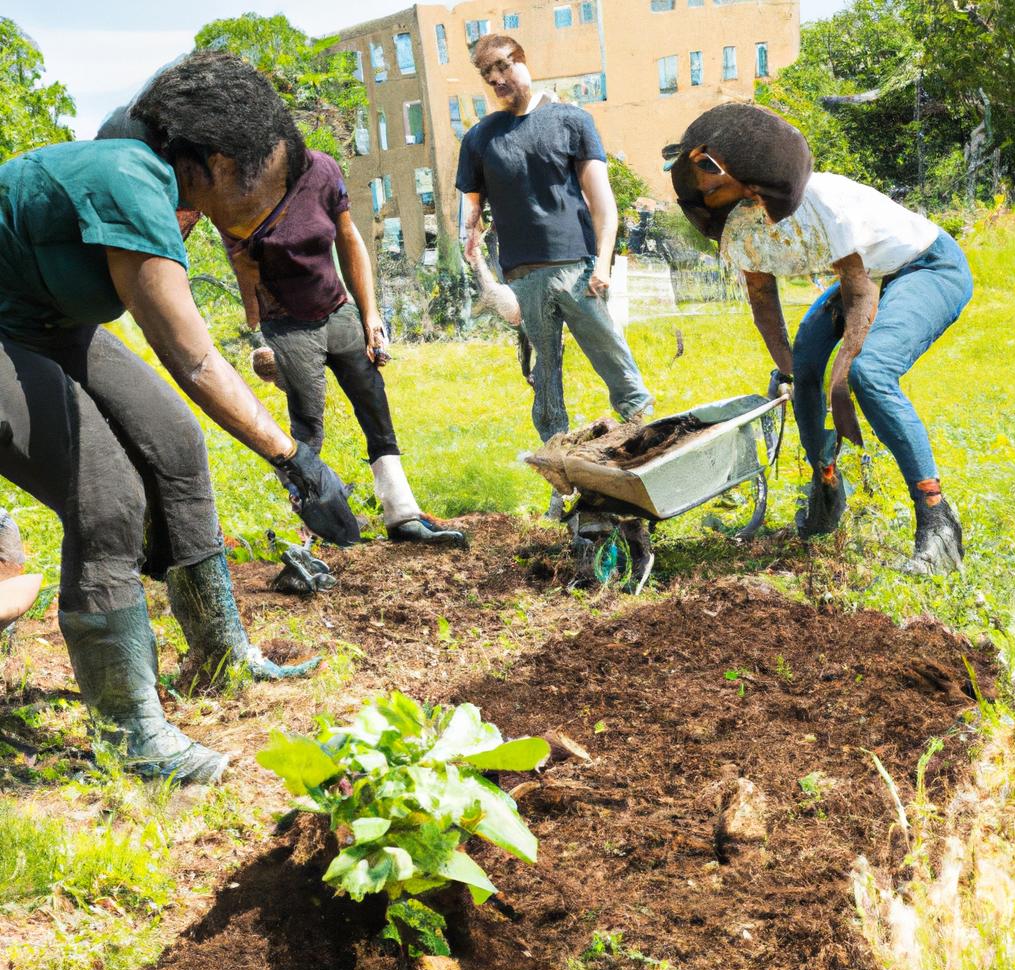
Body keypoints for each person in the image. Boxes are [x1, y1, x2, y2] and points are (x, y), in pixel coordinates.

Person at [0, 52, 361, 783]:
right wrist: (294, 459)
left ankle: (220, 652)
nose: (276, 202)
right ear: (221, 163)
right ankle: (131, 736)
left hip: (42, 322)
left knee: (174, 442)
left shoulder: (156, 179)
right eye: (271, 180)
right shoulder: (129, 177)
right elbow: (193, 359)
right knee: (106, 496)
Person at [665, 102, 972, 574]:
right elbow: (761, 297)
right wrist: (789, 368)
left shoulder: (821, 202)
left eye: (710, 184)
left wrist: (844, 374)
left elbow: (858, 289)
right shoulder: (739, 222)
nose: (705, 196)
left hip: (924, 266)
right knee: (805, 370)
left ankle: (937, 520)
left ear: (744, 168)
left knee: (870, 374)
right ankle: (826, 490)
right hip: (874, 275)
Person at [218, 147, 465, 547]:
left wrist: (371, 315)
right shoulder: (238, 184)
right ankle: (311, 527)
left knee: (373, 401)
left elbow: (348, 237)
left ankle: (402, 514)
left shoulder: (321, 168)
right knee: (308, 425)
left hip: (338, 310)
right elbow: (245, 274)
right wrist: (262, 330)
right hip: (288, 323)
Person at [456, 34, 653, 491]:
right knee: (544, 378)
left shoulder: (571, 120)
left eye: (504, 67)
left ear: (522, 62)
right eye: (488, 75)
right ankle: (560, 471)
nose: (498, 80)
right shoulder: (480, 138)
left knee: (612, 356)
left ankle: (645, 443)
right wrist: (470, 233)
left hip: (576, 269)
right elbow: (471, 209)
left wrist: (602, 264)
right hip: (522, 277)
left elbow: (602, 203)